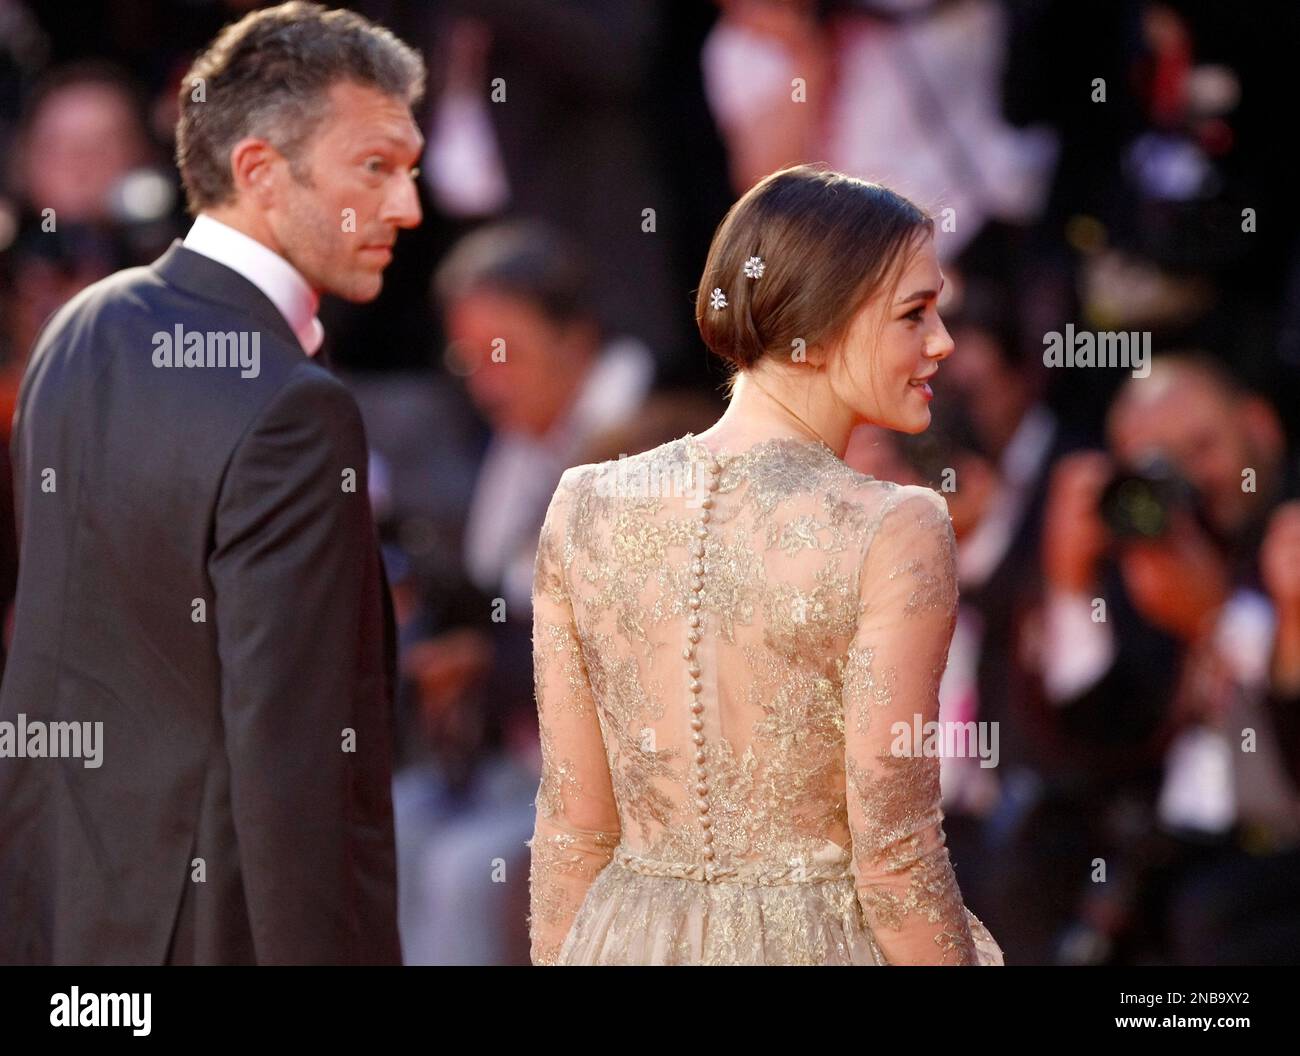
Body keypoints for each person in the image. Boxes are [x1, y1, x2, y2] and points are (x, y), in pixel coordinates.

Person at [0, 1, 425, 965]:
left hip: (65, 930)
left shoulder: (79, 329)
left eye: (409, 166)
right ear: (260, 172)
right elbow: (298, 778)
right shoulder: (297, 411)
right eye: (375, 168)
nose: (408, 206)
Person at [525, 163, 1004, 965]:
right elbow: (896, 857)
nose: (942, 343)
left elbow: (570, 827)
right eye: (914, 314)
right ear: (827, 320)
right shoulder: (897, 525)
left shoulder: (584, 504)